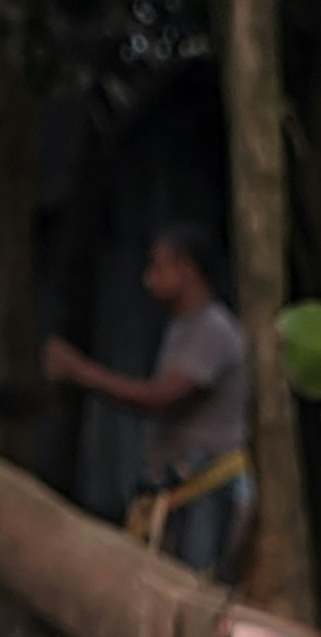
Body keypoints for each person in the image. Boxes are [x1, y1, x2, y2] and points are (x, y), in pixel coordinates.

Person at [43, 221, 252, 580]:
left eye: (158, 266)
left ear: (185, 268)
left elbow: (161, 398)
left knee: (194, 594)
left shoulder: (212, 329)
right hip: (181, 492)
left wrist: (81, 371)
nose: (148, 278)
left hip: (207, 493)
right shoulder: (184, 326)